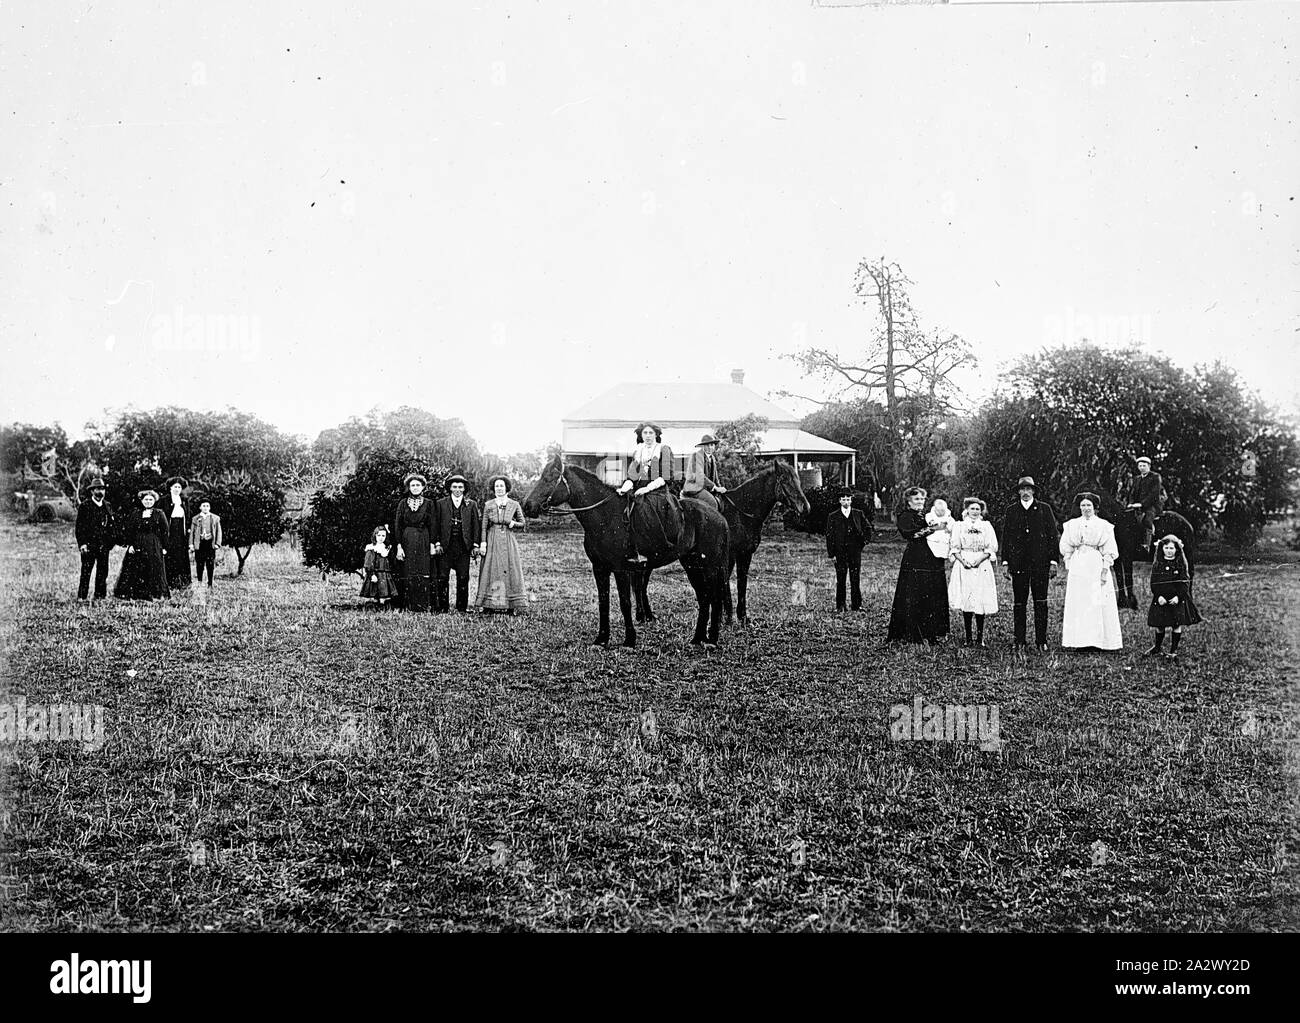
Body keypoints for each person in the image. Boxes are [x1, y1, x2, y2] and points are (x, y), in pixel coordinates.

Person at [1000, 475, 1060, 652]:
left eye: (1029, 489)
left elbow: (1052, 536)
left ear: (1033, 491)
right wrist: (1005, 562)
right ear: (1018, 491)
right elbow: (1007, 537)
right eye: (1022, 489)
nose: (1025, 493)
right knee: (1020, 602)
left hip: (1040, 564)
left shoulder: (1044, 509)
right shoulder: (1012, 510)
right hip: (1019, 565)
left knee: (1040, 602)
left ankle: (1041, 641)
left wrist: (1053, 561)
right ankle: (1019, 640)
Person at [886, 487, 950, 644]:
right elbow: (912, 534)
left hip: (932, 557)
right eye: (917, 499)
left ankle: (931, 632)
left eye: (922, 499)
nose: (920, 502)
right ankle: (914, 633)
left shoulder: (926, 515)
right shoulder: (905, 516)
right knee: (915, 595)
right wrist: (934, 529)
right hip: (916, 558)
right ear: (909, 501)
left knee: (933, 593)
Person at [1059, 492, 1122, 651]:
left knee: (1096, 601)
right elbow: (1066, 546)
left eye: (1089, 505)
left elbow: (1109, 550)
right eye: (1083, 505)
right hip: (1079, 563)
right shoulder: (1072, 524)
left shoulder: (1104, 526)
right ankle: (1080, 641)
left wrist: (1104, 568)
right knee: (1080, 601)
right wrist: (1069, 562)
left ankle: (1098, 641)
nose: (1086, 508)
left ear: (1095, 507)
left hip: (1096, 563)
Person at [617, 422, 677, 564]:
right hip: (639, 490)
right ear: (641, 435)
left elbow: (666, 476)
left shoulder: (664, 449)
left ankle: (647, 550)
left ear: (656, 434)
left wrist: (647, 488)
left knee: (642, 508)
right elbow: (632, 476)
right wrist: (624, 488)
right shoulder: (638, 450)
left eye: (651, 433)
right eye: (645, 433)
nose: (648, 436)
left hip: (658, 490)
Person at [947, 497, 998, 647]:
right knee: (967, 598)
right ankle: (968, 637)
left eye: (977, 509)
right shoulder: (959, 526)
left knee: (980, 598)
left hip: (981, 563)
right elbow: (955, 547)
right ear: (967, 510)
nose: (975, 512)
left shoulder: (986, 526)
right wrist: (964, 562)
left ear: (981, 511)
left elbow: (991, 547)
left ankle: (980, 638)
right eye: (972, 509)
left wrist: (979, 560)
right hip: (964, 562)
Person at [476, 475, 528, 615]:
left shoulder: (514, 504)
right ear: (494, 488)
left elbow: (523, 523)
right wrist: (483, 543)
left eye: (502, 486)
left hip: (508, 539)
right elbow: (483, 526)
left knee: (510, 569)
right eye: (497, 486)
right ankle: (488, 605)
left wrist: (512, 523)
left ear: (507, 488)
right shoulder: (488, 505)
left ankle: (511, 604)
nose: (499, 488)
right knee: (491, 569)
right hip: (492, 539)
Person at [1144, 534, 1201, 660]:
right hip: (1161, 599)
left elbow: (1185, 582)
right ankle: (1157, 646)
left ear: (1177, 549)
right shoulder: (1158, 564)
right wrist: (1158, 596)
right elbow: (1154, 582)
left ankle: (1173, 650)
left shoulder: (1180, 564)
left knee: (1176, 624)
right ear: (1161, 549)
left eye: (1171, 548)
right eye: (1166, 548)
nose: (1169, 551)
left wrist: (1178, 597)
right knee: (1160, 624)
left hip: (1176, 599)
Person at [434, 474, 482, 612]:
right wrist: (437, 543)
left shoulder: (471, 504)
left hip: (463, 546)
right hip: (445, 546)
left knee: (463, 576)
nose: (457, 490)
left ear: (464, 489)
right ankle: (442, 607)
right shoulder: (441, 503)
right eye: (454, 487)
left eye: (460, 487)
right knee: (442, 577)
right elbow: (436, 525)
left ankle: (462, 607)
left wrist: (475, 545)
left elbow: (476, 526)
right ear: (449, 488)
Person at [113, 489, 170, 600]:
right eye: (146, 499)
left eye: (150, 499)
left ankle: (154, 594)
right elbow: (130, 531)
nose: (148, 501)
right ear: (142, 501)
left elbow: (165, 531)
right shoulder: (136, 513)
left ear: (154, 500)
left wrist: (164, 547)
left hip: (154, 544)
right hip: (138, 544)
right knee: (136, 567)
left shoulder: (159, 513)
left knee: (154, 567)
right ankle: (137, 594)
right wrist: (130, 545)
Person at [392, 472, 436, 612]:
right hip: (407, 539)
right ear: (408, 487)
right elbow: (398, 526)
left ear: (423, 487)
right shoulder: (403, 503)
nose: (415, 487)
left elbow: (433, 525)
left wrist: (432, 544)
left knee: (423, 570)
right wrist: (399, 546)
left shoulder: (429, 504)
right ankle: (407, 605)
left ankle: (422, 605)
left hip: (424, 538)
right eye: (412, 485)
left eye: (418, 485)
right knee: (407, 570)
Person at [825, 487, 871, 612]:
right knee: (841, 579)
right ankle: (840, 606)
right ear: (840, 501)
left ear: (851, 500)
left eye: (848, 499)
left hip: (854, 551)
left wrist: (863, 542)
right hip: (840, 552)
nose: (846, 502)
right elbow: (829, 536)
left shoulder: (858, 514)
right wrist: (831, 554)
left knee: (855, 578)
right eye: (843, 499)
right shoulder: (833, 516)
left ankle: (857, 605)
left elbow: (868, 528)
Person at [75, 477, 115, 600]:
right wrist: (82, 544)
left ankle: (100, 597)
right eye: (98, 489)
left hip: (104, 546)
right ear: (92, 491)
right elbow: (79, 528)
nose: (100, 492)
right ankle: (82, 597)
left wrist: (110, 542)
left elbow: (111, 526)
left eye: (102, 489)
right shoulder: (85, 506)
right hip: (89, 545)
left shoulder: (107, 506)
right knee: (86, 572)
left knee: (103, 572)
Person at [1124, 456, 1164, 553]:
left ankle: (1147, 545)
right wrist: (1131, 503)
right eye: (1140, 466)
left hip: (1152, 505)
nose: (1142, 467)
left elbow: (1154, 494)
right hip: (1137, 506)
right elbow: (1132, 493)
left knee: (1147, 521)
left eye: (1144, 465)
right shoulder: (1137, 479)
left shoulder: (1155, 477)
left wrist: (1141, 504)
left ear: (1149, 466)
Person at [682, 433, 726, 511]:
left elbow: (716, 478)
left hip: (705, 488)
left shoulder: (712, 458)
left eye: (712, 445)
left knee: (723, 500)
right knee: (712, 503)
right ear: (703, 446)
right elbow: (700, 476)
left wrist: (720, 488)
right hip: (694, 488)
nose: (710, 447)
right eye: (707, 445)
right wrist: (715, 487)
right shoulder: (696, 456)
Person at [163, 476, 192, 591]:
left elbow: (188, 516)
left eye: (179, 487)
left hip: (181, 531)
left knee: (181, 555)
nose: (177, 489)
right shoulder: (164, 500)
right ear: (170, 488)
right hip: (170, 530)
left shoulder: (184, 500)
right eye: (175, 487)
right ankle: (169, 582)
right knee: (170, 555)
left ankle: (182, 582)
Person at [189, 496, 223, 588]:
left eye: (207, 506)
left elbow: (219, 532)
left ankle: (210, 583)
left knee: (210, 563)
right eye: (203, 506)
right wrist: (191, 544)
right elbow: (192, 532)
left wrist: (217, 544)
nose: (205, 508)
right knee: (199, 563)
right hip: (200, 543)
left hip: (210, 543)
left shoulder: (215, 518)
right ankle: (199, 581)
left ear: (210, 507)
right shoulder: (195, 519)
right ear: (200, 507)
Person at [360, 525, 398, 606]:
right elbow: (368, 563)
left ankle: (383, 606)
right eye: (379, 535)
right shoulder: (372, 548)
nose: (381, 538)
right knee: (376, 593)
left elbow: (391, 561)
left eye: (383, 535)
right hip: (376, 574)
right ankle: (375, 606)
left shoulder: (386, 548)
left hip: (385, 574)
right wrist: (372, 574)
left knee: (384, 594)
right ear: (375, 535)